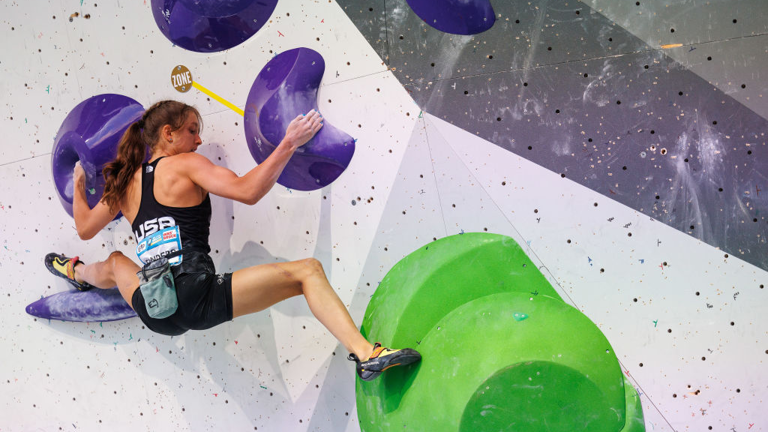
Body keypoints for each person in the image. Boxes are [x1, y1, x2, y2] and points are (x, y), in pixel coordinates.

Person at [44, 100, 420, 381]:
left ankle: (76, 272)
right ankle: (366, 353)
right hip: (197, 295)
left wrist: (79, 183)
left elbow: (85, 228)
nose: (199, 138)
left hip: (155, 309)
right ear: (168, 134)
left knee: (113, 262)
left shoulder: (124, 184)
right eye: (192, 130)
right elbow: (248, 190)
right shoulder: (186, 164)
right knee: (308, 272)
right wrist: (289, 142)